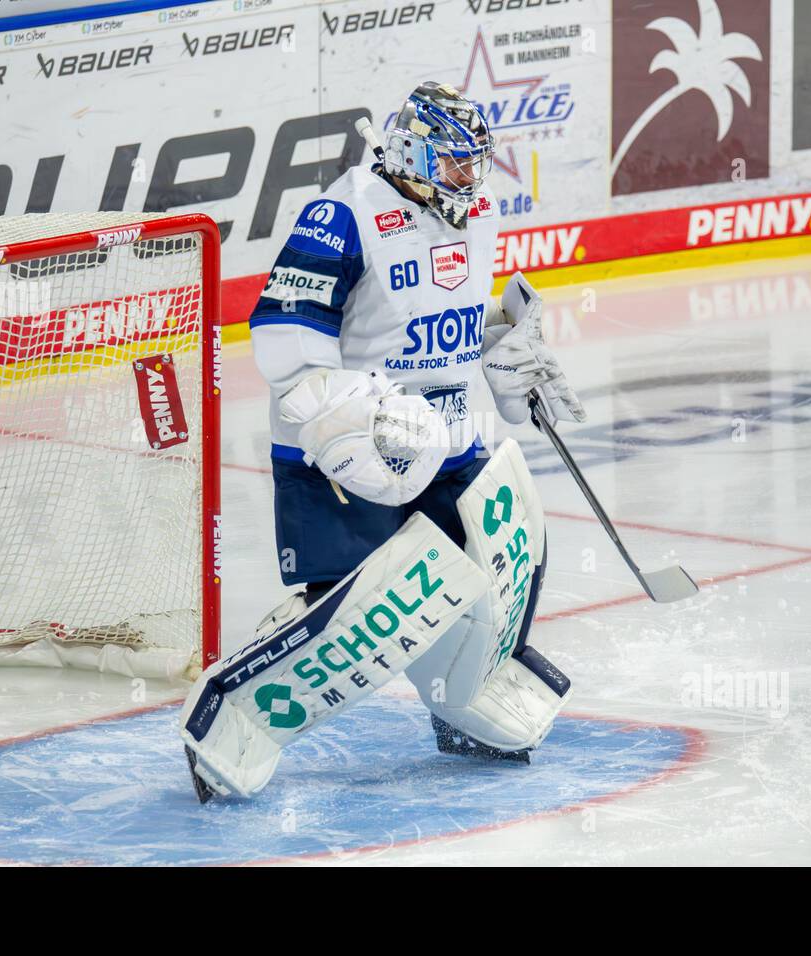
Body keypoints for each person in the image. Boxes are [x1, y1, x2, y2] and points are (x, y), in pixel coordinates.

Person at [179, 81, 585, 801]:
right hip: (353, 447)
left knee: (499, 557)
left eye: (475, 163)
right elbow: (285, 341)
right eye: (454, 162)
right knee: (361, 614)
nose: (469, 177)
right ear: (412, 152)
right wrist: (348, 422)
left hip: (453, 437)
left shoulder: (478, 210)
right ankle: (234, 719)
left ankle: (469, 702)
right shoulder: (343, 213)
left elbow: (439, 313)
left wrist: (502, 343)